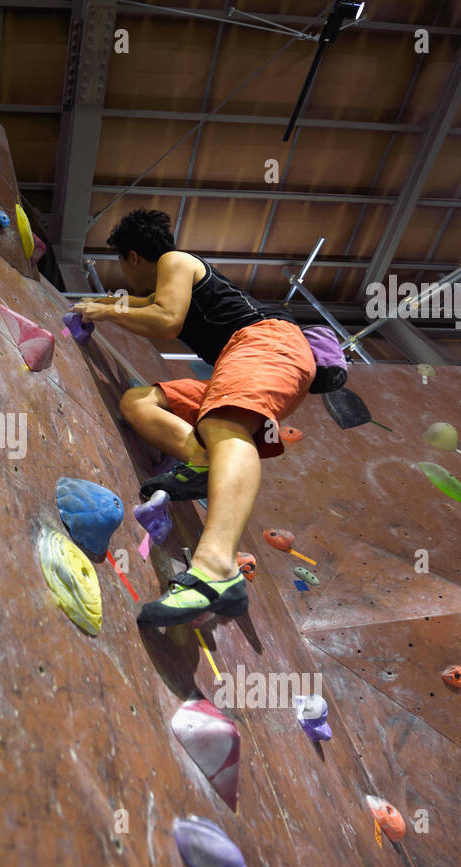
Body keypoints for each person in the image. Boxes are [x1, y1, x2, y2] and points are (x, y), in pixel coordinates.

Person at [71, 209, 315, 626]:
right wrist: (100, 305)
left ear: (133, 257)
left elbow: (166, 320)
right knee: (139, 403)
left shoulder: (175, 261)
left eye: (123, 267)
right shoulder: (168, 281)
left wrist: (106, 312)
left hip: (265, 345)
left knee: (225, 424)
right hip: (239, 364)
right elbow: (138, 304)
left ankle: (218, 568)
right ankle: (200, 461)